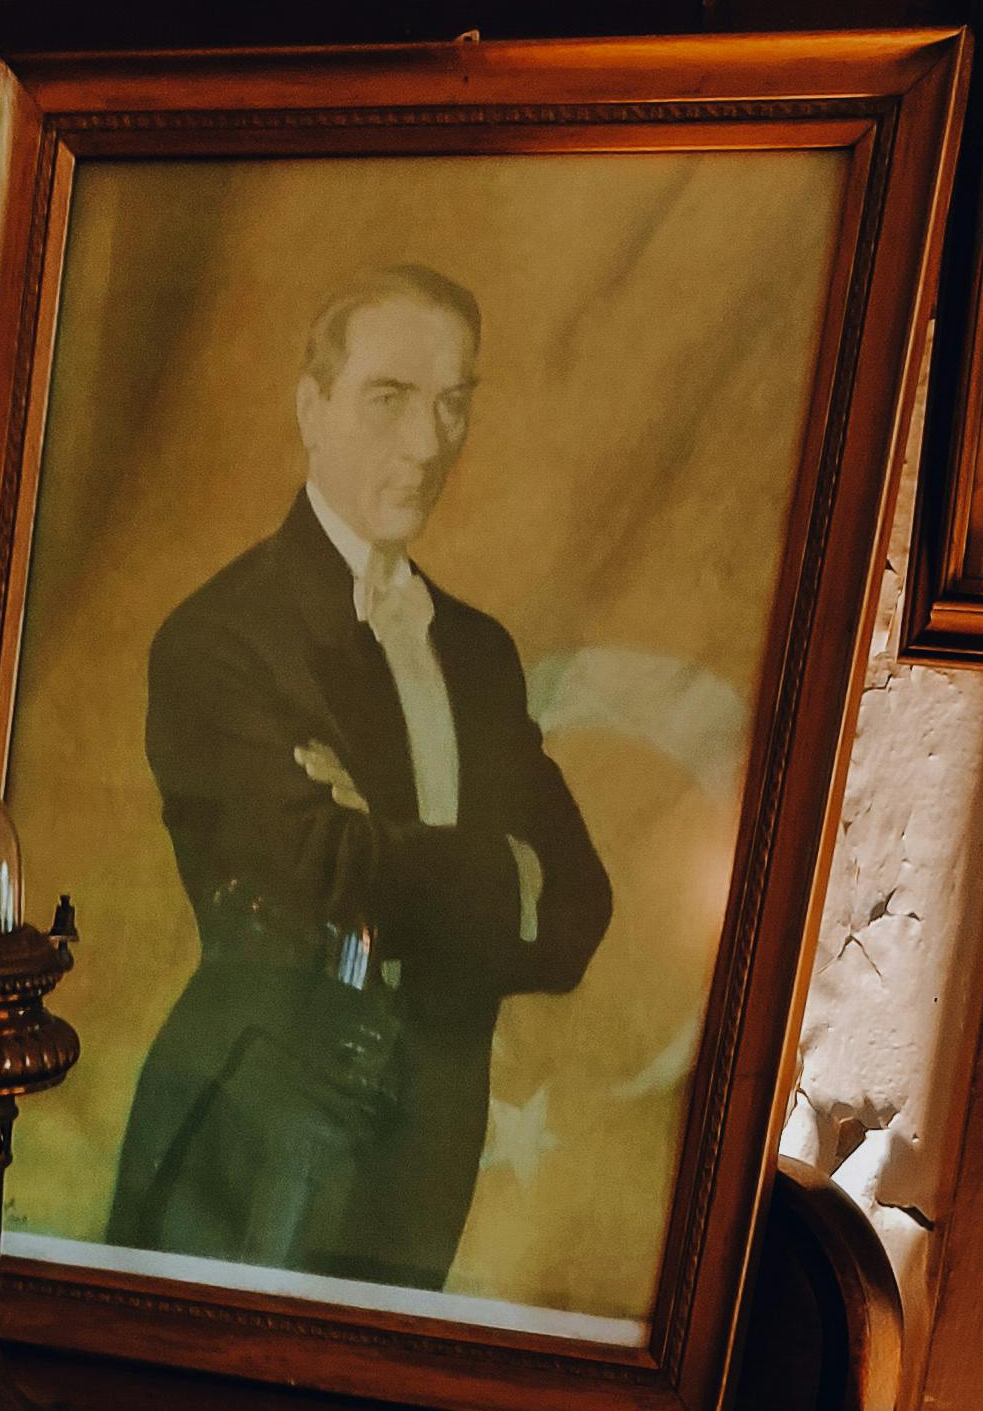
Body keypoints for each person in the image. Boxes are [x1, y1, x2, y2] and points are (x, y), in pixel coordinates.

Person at [105, 264, 612, 1291]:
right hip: (251, 1136)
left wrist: (388, 851)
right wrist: (496, 872)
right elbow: (318, 866)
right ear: (312, 406)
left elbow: (577, 908)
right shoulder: (220, 638)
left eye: (452, 402)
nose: (428, 444)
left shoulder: (477, 651)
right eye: (390, 398)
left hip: (427, 1151)